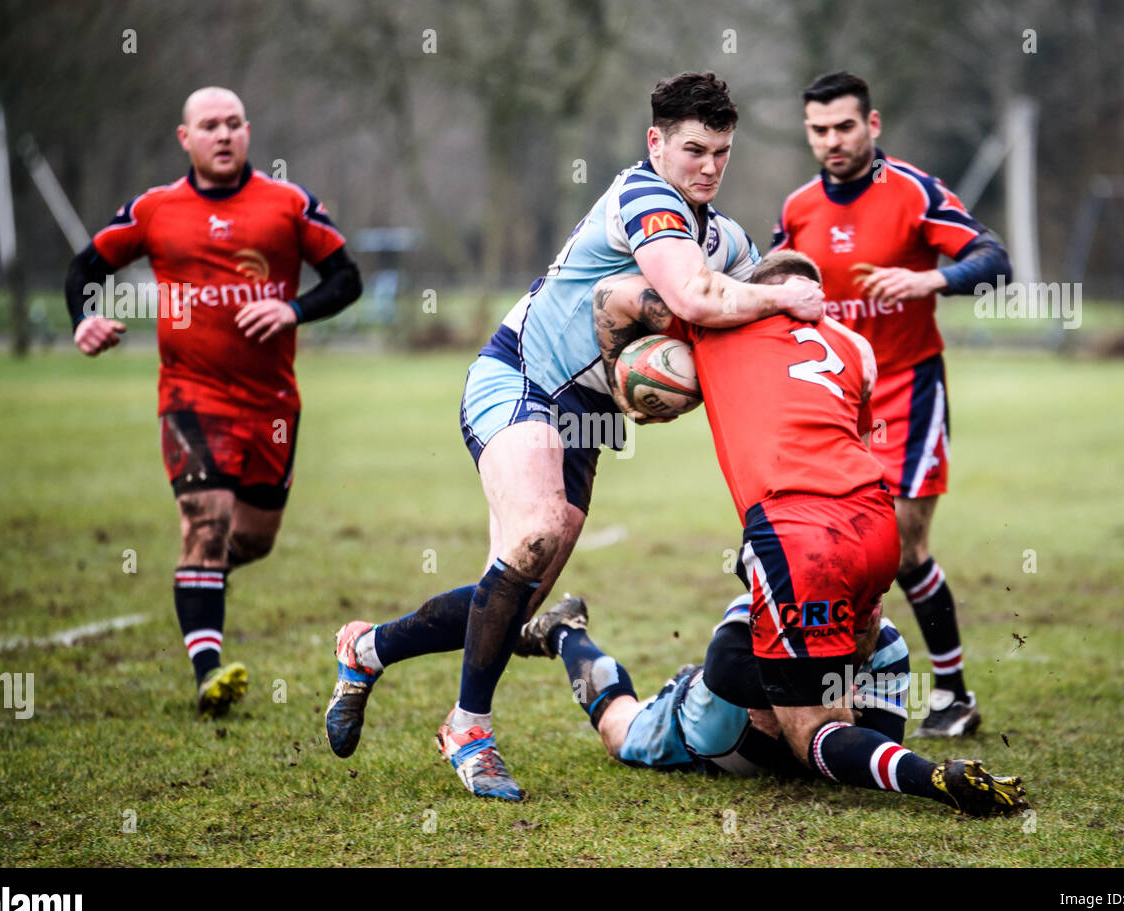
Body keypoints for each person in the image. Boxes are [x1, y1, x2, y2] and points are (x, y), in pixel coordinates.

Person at [324, 72, 826, 802]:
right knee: (534, 536)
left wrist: (796, 299)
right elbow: (693, 296)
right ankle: (468, 725)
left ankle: (368, 649)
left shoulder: (726, 238)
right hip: (519, 378)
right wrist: (779, 295)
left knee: (514, 597)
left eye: (722, 151)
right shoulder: (644, 198)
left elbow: (757, 304)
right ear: (656, 142)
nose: (710, 166)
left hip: (584, 421)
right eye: (694, 148)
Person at [588, 250, 1027, 814]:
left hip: (795, 531)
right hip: (874, 519)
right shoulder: (854, 345)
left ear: (756, 291)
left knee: (809, 728)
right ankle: (838, 718)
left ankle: (933, 780)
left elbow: (614, 295)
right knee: (848, 660)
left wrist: (622, 389)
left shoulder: (711, 324)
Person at [64, 87, 362, 716]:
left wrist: (294, 308)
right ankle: (208, 673)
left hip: (273, 404)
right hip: (189, 395)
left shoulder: (289, 204)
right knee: (206, 521)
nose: (222, 135)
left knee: (253, 539)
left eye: (232, 124)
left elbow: (346, 278)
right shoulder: (154, 209)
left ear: (248, 131)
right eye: (209, 126)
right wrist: (82, 319)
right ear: (186, 138)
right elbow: (87, 266)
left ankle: (200, 580)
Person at [772, 72, 1013, 737]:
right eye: (819, 130)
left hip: (909, 391)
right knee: (832, 550)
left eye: (844, 126)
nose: (833, 141)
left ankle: (953, 693)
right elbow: (769, 292)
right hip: (832, 405)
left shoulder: (912, 192)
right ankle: (836, 693)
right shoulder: (796, 210)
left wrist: (929, 277)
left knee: (901, 547)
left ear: (871, 125)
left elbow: (996, 261)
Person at [518, 593, 918, 785]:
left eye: (873, 612)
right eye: (853, 617)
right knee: (615, 729)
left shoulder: (886, 645)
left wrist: (799, 713)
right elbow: (725, 669)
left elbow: (883, 742)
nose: (863, 626)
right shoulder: (780, 592)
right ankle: (564, 632)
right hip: (702, 717)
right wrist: (789, 700)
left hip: (756, 749)